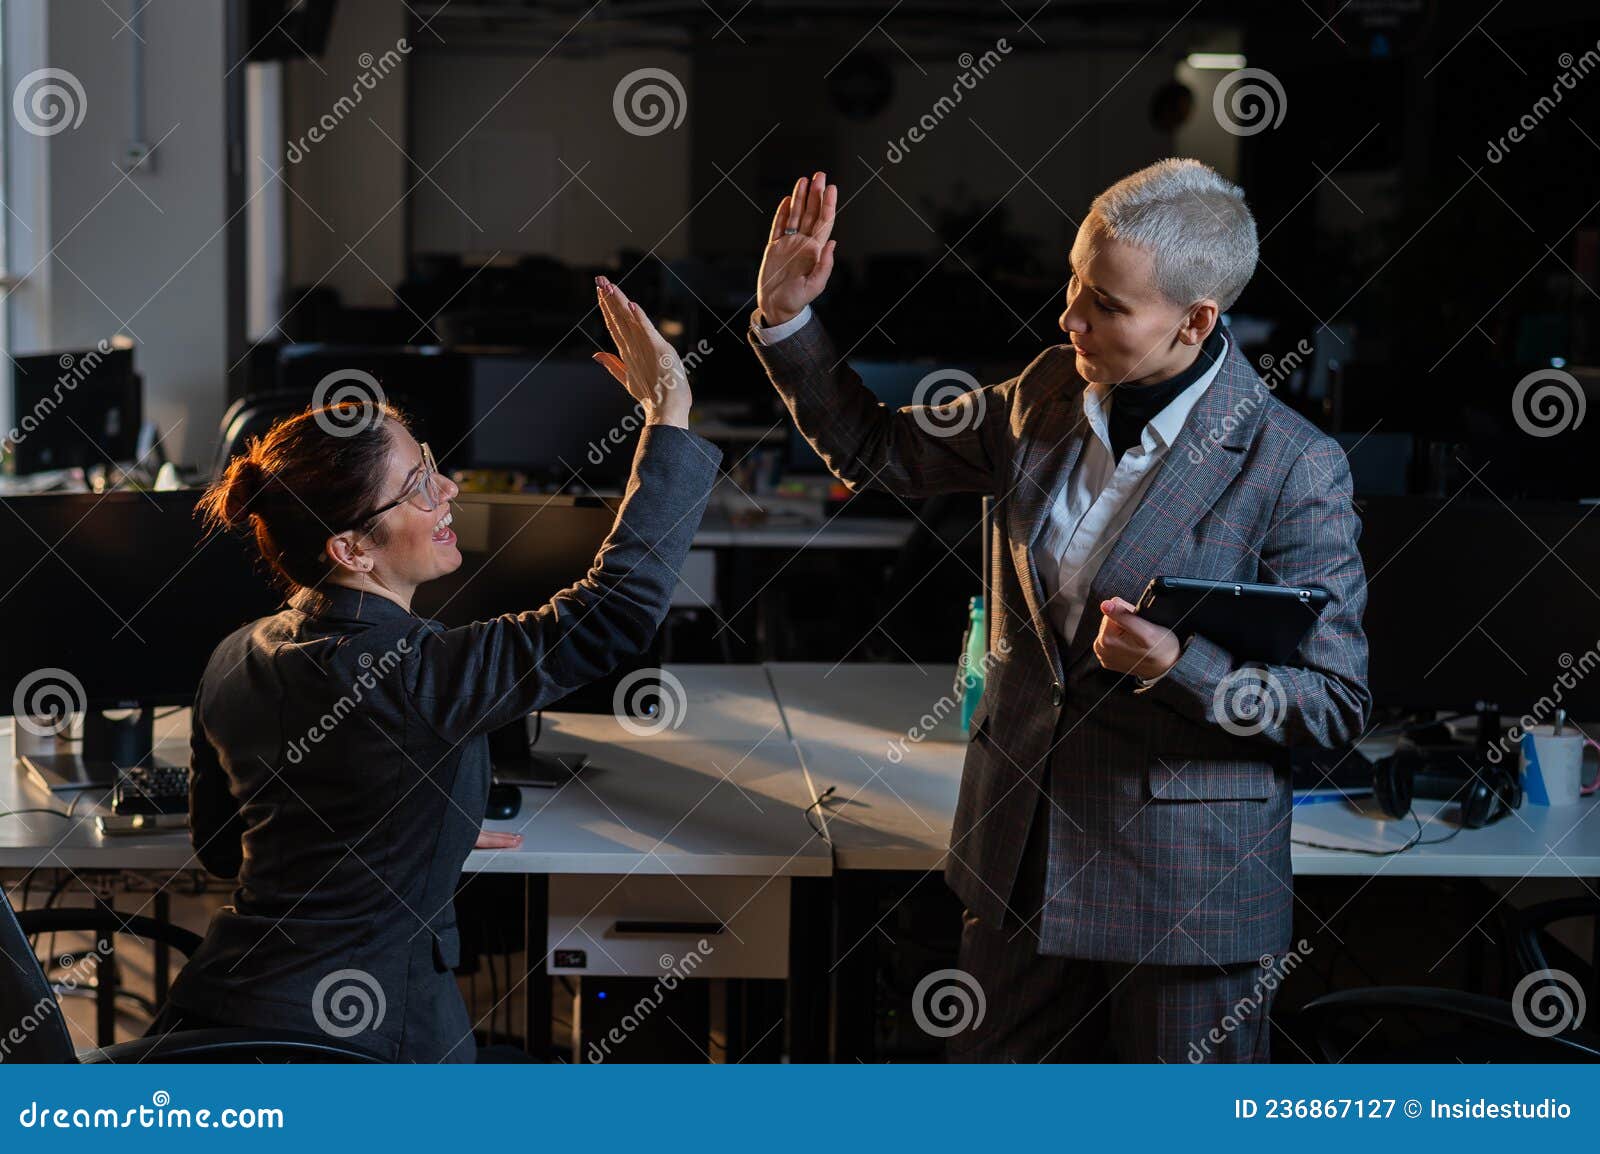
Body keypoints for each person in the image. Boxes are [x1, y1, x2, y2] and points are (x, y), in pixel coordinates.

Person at [748, 161, 1370, 1062]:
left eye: (1106, 307)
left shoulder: (1290, 467)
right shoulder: (1045, 391)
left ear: (1195, 321)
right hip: (1016, 868)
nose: (1069, 318)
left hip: (1183, 901)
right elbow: (880, 450)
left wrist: (1179, 667)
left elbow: (1335, 706)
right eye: (1076, 285)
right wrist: (786, 318)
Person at [143, 279, 720, 1062]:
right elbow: (613, 612)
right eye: (416, 487)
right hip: (369, 1040)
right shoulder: (419, 675)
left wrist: (410, 826)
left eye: (431, 467)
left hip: (213, 1024)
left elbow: (223, 847)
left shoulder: (234, 655)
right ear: (350, 548)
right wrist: (669, 413)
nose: (446, 488)